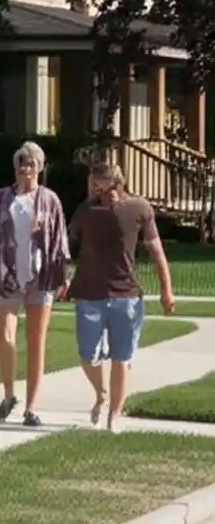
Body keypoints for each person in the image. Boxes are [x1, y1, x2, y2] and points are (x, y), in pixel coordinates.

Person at [64, 162, 175, 433]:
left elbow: (157, 252)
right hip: (89, 292)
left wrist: (166, 290)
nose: (95, 189)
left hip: (127, 294)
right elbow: (65, 247)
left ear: (115, 183)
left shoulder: (139, 208)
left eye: (99, 184)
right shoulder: (87, 211)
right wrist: (63, 277)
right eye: (94, 184)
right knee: (88, 355)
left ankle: (114, 415)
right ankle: (102, 394)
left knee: (121, 358)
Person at [0, 141, 70, 427]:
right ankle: (8, 394)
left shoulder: (49, 200)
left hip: (40, 276)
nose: (25, 169)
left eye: (30, 164)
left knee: (36, 341)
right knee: (5, 335)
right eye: (21, 163)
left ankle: (31, 407)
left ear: (39, 168)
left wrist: (63, 275)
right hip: (6, 274)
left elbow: (59, 238)